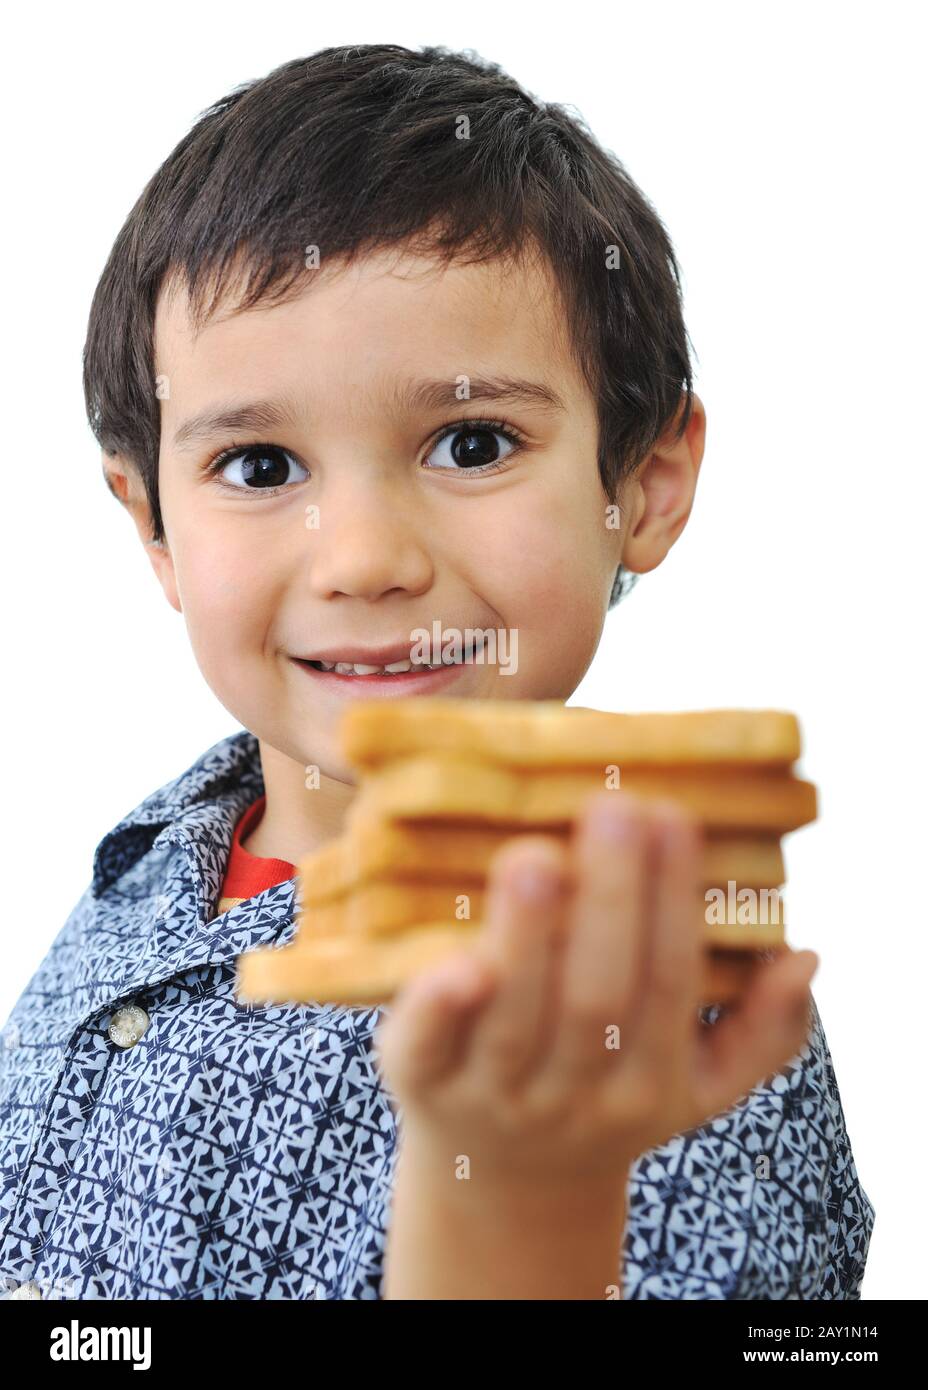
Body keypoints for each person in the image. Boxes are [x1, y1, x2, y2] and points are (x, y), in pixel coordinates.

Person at [0, 43, 873, 1300]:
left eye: (471, 441)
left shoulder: (641, 976)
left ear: (642, 485)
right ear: (152, 527)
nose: (361, 559)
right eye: (258, 467)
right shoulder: (142, 875)